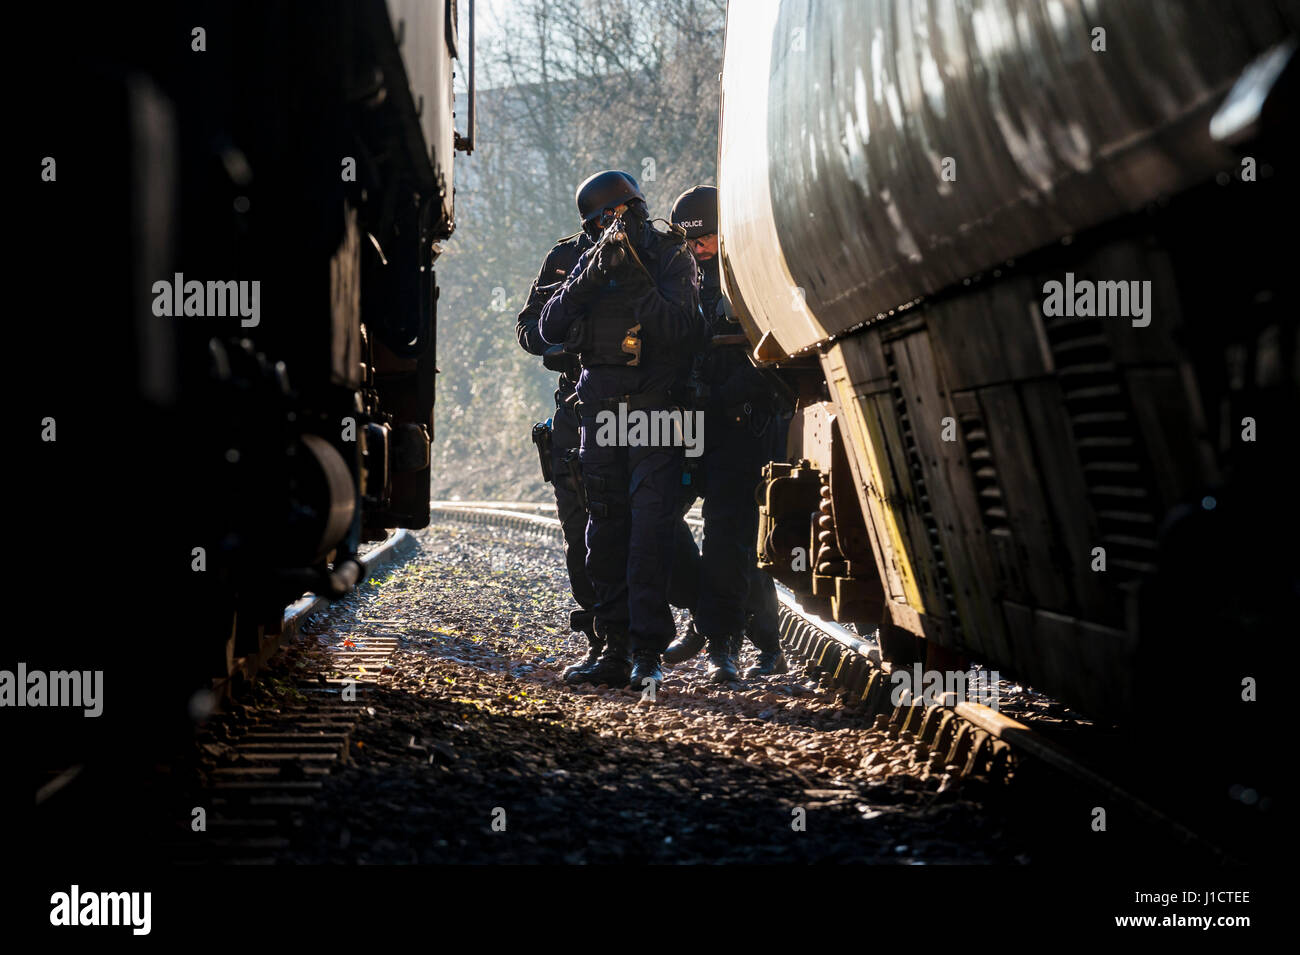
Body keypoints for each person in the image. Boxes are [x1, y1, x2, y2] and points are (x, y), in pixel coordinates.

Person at [539, 171, 704, 690]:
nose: (617, 225)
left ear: (638, 206)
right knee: (605, 532)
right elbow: (546, 328)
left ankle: (648, 652)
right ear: (590, 224)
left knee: (651, 532)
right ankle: (612, 647)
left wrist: (638, 285)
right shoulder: (585, 260)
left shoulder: (669, 255)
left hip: (657, 412)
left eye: (623, 212)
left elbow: (684, 331)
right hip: (600, 413)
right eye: (605, 218)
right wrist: (587, 279)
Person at [662, 185, 789, 681]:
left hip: (741, 426)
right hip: (684, 424)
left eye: (708, 239)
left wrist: (719, 394)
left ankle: (742, 643)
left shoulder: (751, 277)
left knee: (732, 540)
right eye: (691, 241)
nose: (699, 249)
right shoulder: (673, 276)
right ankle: (707, 614)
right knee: (655, 520)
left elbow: (773, 354)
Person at [516, 229, 600, 678]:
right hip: (575, 403)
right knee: (578, 523)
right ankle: (600, 632)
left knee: (638, 520)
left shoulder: (653, 254)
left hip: (634, 404)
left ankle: (640, 636)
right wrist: (558, 347)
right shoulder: (566, 256)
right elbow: (527, 325)